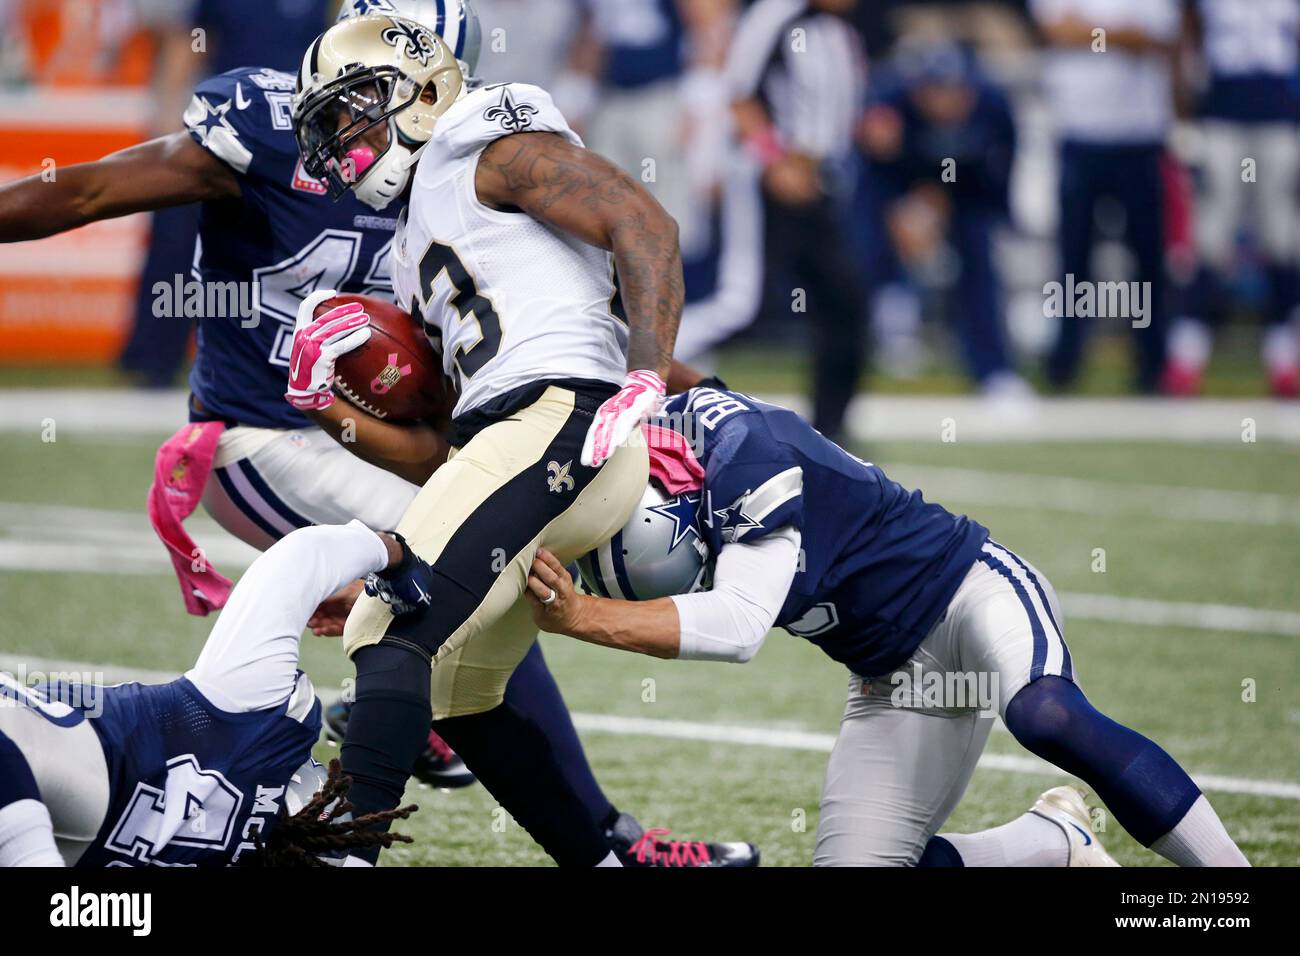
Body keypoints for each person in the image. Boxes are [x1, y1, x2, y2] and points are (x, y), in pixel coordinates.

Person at [0, 0, 751, 866]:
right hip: (258, 435)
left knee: (481, 587)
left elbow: (582, 304)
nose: (338, 145)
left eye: (358, 113)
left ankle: (476, 777)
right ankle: (493, 812)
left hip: (371, 430)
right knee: (451, 595)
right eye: (331, 116)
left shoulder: (460, 178)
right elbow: (89, 188)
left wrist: (684, 389)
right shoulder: (282, 131)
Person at [287, 10, 700, 867]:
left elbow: (644, 223)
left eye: (355, 105)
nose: (343, 136)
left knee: (385, 630)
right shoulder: (414, 241)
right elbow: (442, 448)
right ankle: (602, 861)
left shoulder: (486, 140)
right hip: (523, 445)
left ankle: (340, 854)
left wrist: (649, 377)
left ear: (424, 90)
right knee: (457, 689)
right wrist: (328, 407)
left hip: (567, 420)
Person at [524, 384, 1251, 867]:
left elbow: (742, 625)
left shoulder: (748, 457)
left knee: (1047, 714)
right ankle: (1053, 844)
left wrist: (584, 616)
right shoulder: (635, 453)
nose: (714, 568)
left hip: (969, 590)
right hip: (892, 678)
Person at [0, 521, 425, 867]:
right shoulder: (254, 725)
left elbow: (303, 555)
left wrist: (396, 557)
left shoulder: (255, 719)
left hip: (82, 762)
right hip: (73, 786)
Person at [727, 0, 870, 442]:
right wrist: (775, 161)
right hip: (771, 181)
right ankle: (658, 398)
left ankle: (829, 427)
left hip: (823, 183)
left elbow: (838, 112)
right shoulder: (775, 15)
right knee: (740, 303)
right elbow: (738, 92)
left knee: (845, 301)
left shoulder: (842, 31)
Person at [860, 40, 1027, 396]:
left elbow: (999, 174)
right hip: (901, 190)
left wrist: (943, 203)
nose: (943, 101)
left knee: (980, 258)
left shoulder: (994, 109)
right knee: (865, 247)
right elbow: (872, 173)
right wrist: (901, 214)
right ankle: (868, 346)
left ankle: (993, 369)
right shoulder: (889, 107)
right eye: (933, 91)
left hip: (967, 195)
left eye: (952, 91)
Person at [1031, 0, 1181, 392]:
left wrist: (1092, 31)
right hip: (1080, 132)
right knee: (1073, 260)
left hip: (1140, 136)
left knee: (1147, 260)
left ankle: (1152, 364)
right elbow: (1056, 31)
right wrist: (1121, 35)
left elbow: (1158, 39)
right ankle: (1065, 363)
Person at [1166, 0, 1300, 398]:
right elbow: (1186, 41)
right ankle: (1187, 357)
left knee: (1283, 241)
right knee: (1210, 243)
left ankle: (1284, 356)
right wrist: (1184, 116)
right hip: (1222, 118)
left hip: (1279, 120)